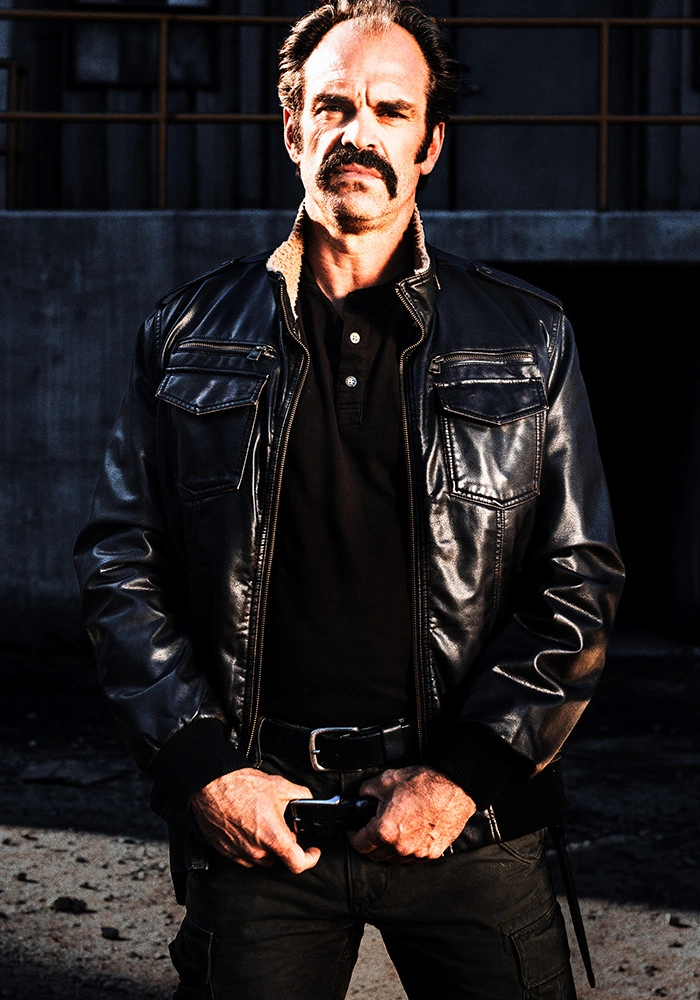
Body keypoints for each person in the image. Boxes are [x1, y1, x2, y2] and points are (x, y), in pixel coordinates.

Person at [73, 1, 625, 997]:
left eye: (390, 110)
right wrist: (204, 769)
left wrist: (464, 776)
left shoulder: (527, 335)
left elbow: (577, 580)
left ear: (430, 143)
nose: (358, 133)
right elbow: (122, 564)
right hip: (262, 822)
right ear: (293, 129)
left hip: (466, 827)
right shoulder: (189, 330)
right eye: (332, 106)